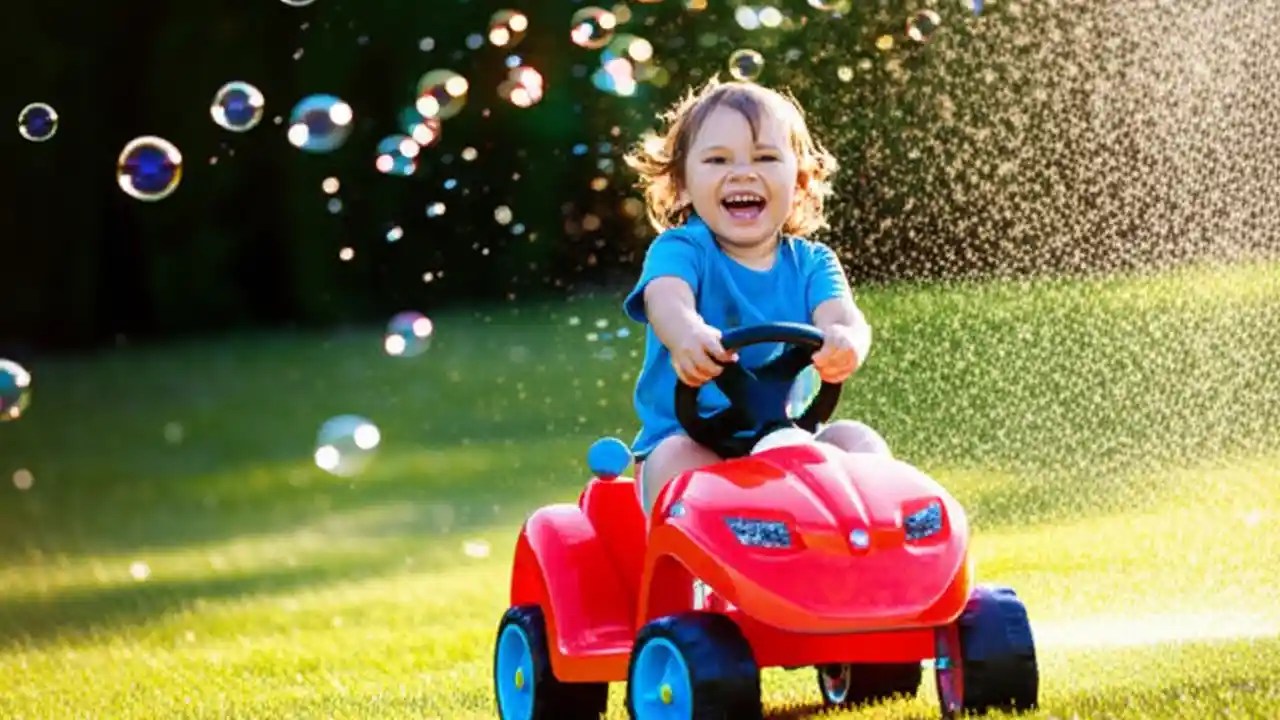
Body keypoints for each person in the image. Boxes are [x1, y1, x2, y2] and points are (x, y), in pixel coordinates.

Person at [621, 77, 892, 515]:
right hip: (692, 438)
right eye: (717, 159)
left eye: (765, 157)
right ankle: (684, 557)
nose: (743, 173)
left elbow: (842, 315)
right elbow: (666, 299)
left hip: (787, 438)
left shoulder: (812, 263)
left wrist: (846, 340)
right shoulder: (682, 250)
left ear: (800, 182)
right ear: (682, 184)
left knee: (855, 439)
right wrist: (687, 333)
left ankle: (879, 548)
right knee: (676, 458)